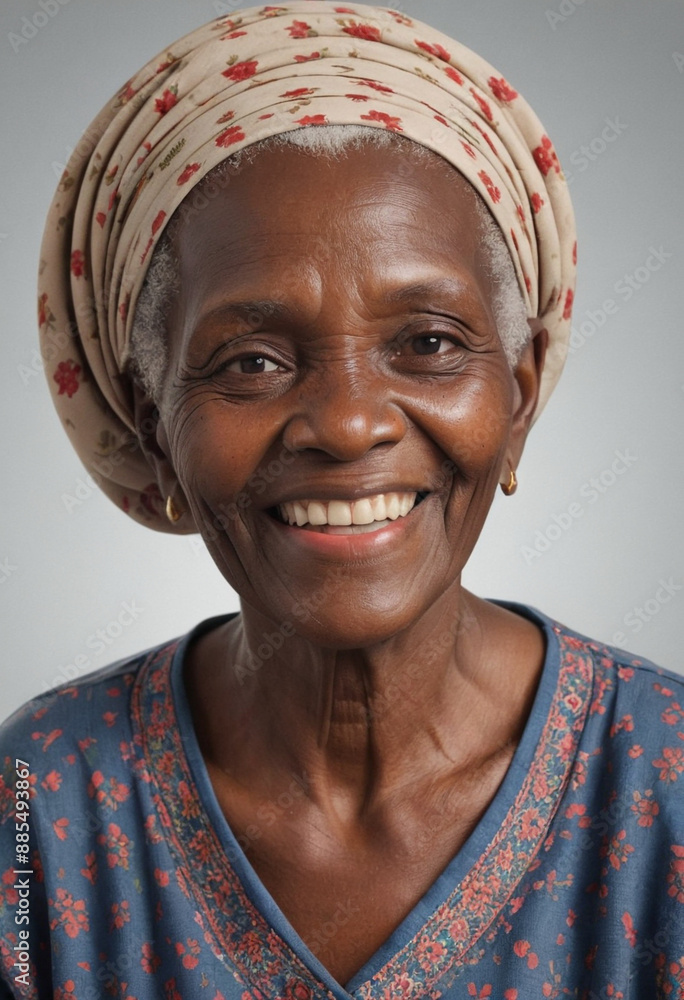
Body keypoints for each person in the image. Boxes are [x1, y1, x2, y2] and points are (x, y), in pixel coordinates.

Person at [1, 3, 683, 997]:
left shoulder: (667, 778)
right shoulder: (33, 796)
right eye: (251, 360)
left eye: (431, 342)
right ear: (154, 427)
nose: (350, 423)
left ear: (523, 390)